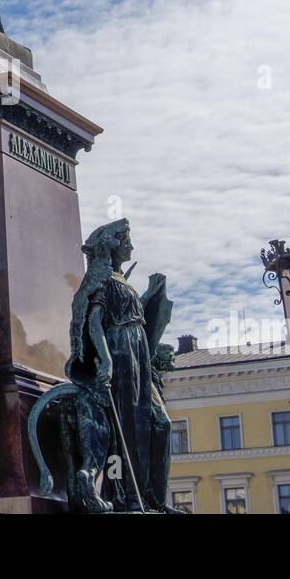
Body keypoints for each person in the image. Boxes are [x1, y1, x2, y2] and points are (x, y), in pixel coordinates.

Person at [66, 219, 176, 512]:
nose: (131, 246)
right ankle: (127, 495)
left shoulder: (121, 280)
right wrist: (106, 358)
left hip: (138, 355)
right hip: (121, 354)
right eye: (126, 240)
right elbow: (93, 322)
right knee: (128, 426)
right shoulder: (102, 278)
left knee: (160, 423)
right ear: (111, 246)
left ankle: (152, 495)